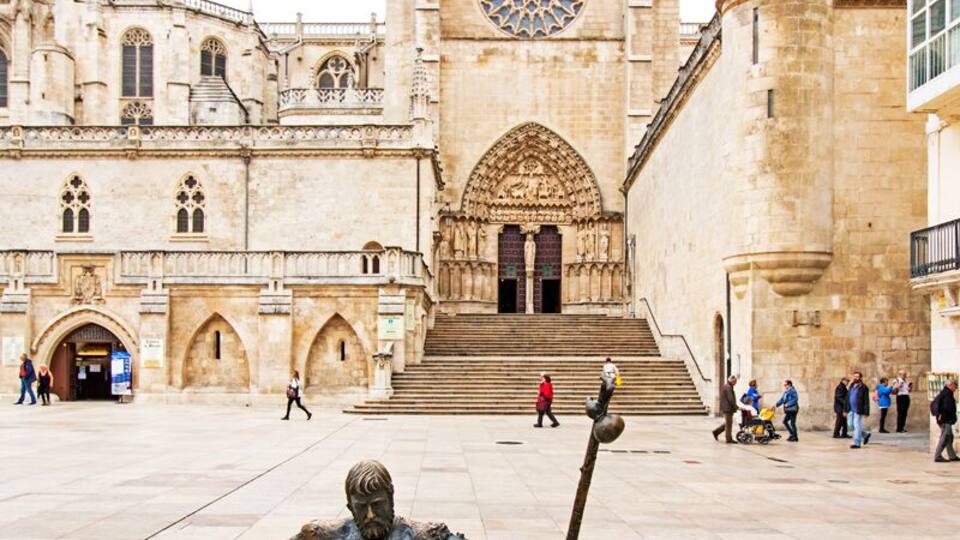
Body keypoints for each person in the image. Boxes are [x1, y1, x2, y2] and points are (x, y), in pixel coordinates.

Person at [293, 460, 466, 539]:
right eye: (361, 507)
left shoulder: (424, 536)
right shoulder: (324, 535)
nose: (370, 515)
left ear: (391, 498)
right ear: (350, 507)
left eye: (377, 505)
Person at [931, 379, 959, 463]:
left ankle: (952, 455)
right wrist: (952, 418)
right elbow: (947, 408)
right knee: (945, 437)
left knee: (950, 437)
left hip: (944, 419)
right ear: (950, 385)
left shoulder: (945, 393)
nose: (956, 387)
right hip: (945, 419)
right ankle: (938, 455)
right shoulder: (947, 394)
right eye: (955, 385)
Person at [848, 372, 872, 449]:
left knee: (857, 426)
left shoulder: (864, 387)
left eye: (857, 377)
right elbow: (847, 397)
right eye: (854, 376)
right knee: (850, 425)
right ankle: (865, 435)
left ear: (860, 378)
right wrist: (845, 409)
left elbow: (866, 400)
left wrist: (866, 411)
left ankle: (857, 443)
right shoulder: (851, 386)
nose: (855, 378)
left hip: (858, 410)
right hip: (851, 410)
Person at [713, 375, 738, 443]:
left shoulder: (728, 386)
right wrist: (735, 406)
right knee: (728, 424)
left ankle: (716, 432)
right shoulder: (728, 387)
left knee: (728, 423)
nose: (736, 383)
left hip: (727, 408)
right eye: (735, 381)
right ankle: (728, 439)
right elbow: (730, 399)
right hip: (728, 408)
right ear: (732, 381)